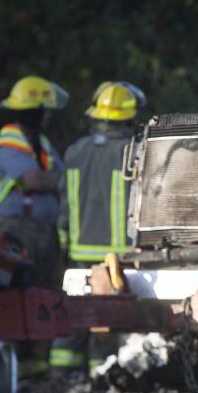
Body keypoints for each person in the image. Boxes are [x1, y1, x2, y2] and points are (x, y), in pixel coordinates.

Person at [0, 76, 68, 378]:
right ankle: (11, 369)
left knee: (44, 293)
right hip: (16, 231)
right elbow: (37, 179)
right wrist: (64, 179)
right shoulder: (11, 144)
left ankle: (36, 369)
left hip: (41, 230)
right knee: (15, 296)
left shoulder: (38, 143)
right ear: (37, 112)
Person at [51, 81, 144, 374]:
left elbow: (64, 203)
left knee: (75, 314)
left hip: (79, 251)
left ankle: (60, 376)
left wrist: (64, 241)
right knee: (106, 320)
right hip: (118, 254)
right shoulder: (135, 151)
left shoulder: (75, 151)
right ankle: (100, 376)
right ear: (128, 118)